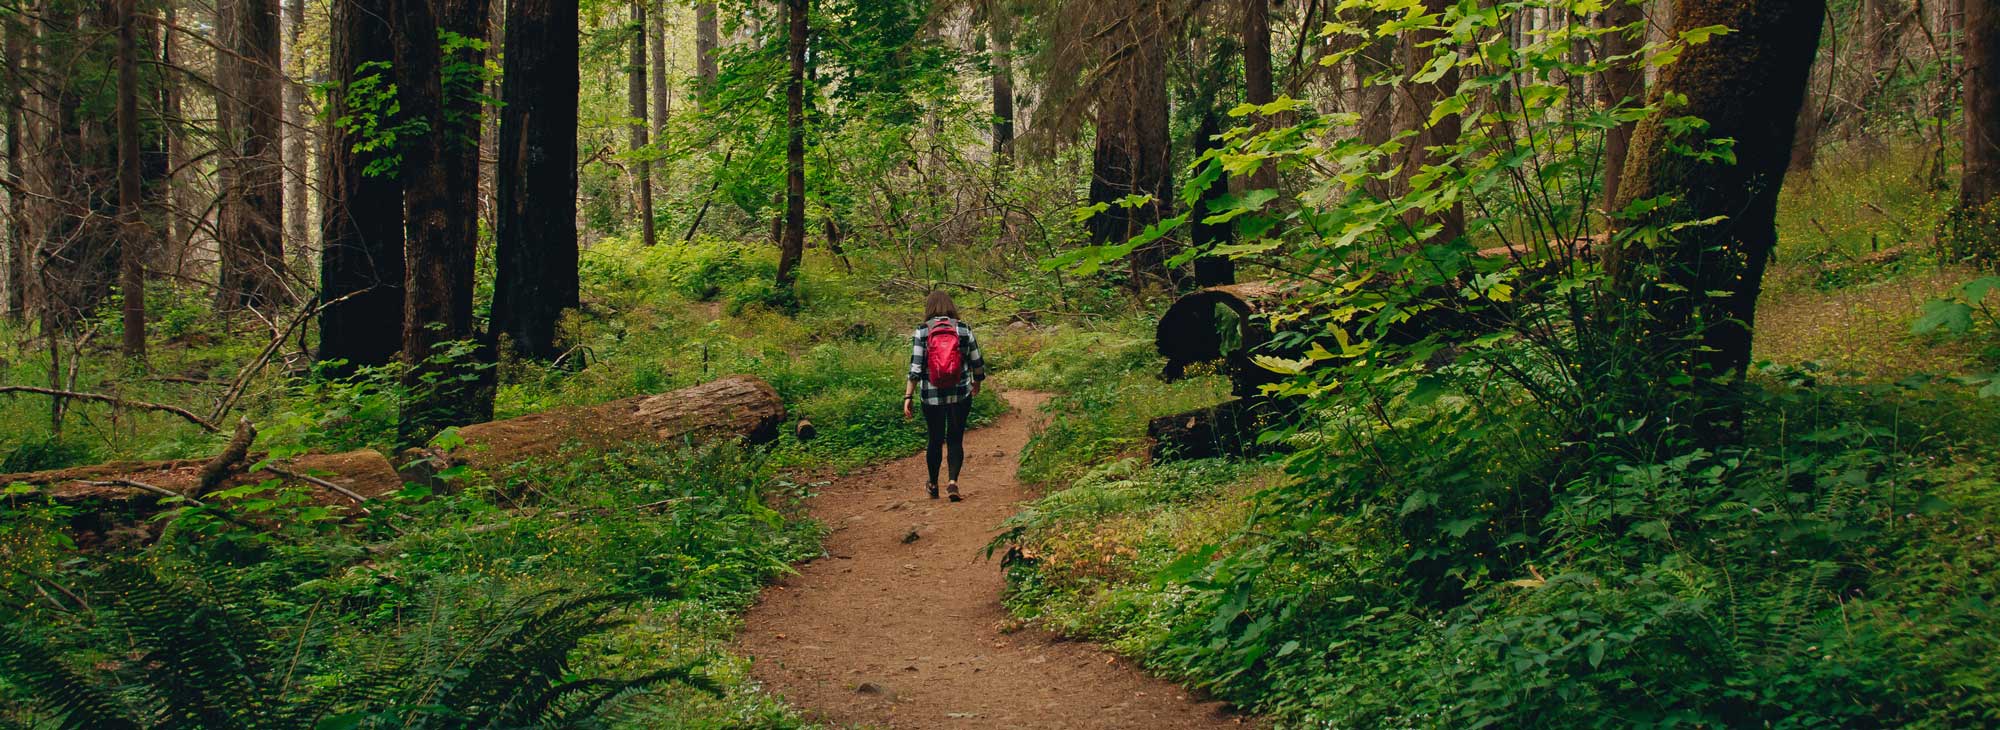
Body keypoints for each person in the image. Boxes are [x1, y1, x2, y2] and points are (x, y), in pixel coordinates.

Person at [903, 290, 986, 501]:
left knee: (935, 439)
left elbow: (916, 367)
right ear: (951, 306)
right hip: (960, 393)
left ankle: (932, 484)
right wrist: (977, 382)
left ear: (929, 307)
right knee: (955, 438)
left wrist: (908, 397)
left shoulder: (922, 331)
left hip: (931, 395)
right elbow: (977, 360)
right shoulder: (963, 328)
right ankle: (953, 482)